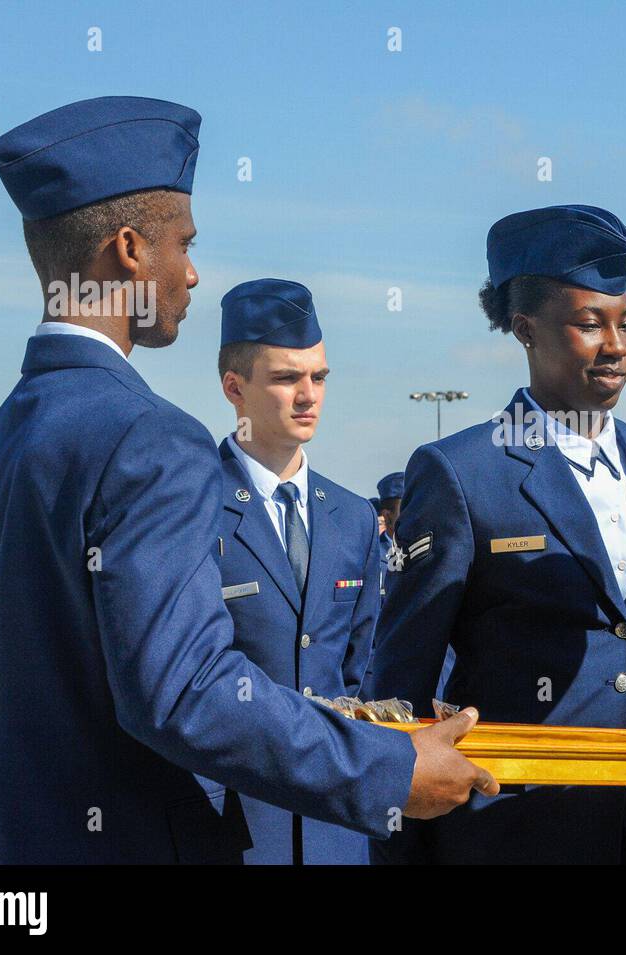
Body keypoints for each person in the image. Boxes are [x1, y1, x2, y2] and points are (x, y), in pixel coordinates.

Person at [0, 95, 494, 863]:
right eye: (183, 243)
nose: (193, 272)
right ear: (130, 250)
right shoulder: (148, 436)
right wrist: (390, 767)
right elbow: (186, 692)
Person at [363, 204, 626, 864]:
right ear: (526, 328)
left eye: (624, 322)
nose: (617, 346)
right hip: (512, 834)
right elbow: (402, 684)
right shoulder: (462, 472)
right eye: (589, 323)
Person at [214, 278, 386, 864]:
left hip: (335, 818)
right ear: (234, 387)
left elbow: (364, 668)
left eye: (318, 377)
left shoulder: (353, 517)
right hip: (232, 818)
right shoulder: (190, 506)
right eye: (286, 378)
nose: (308, 395)